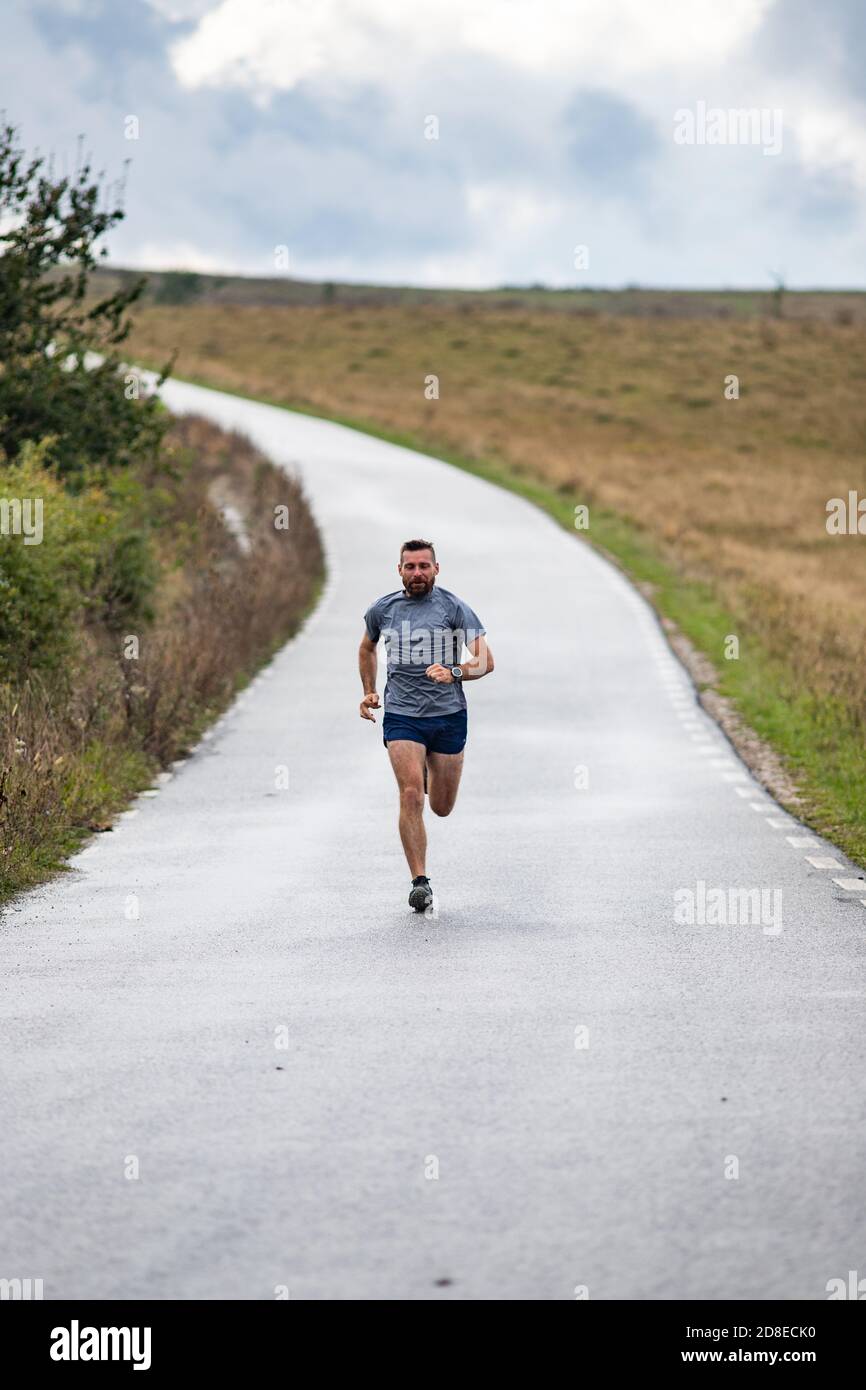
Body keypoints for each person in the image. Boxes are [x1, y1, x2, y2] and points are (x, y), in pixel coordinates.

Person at [359, 539, 494, 912]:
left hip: (448, 716)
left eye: (423, 566)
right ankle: (420, 881)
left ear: (436, 569)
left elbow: (486, 662)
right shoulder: (382, 609)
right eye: (410, 567)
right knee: (410, 795)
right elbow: (367, 648)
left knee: (442, 807)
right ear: (399, 570)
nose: (417, 573)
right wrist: (369, 691)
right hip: (402, 715)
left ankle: (433, 775)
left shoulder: (453, 608)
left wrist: (454, 672)